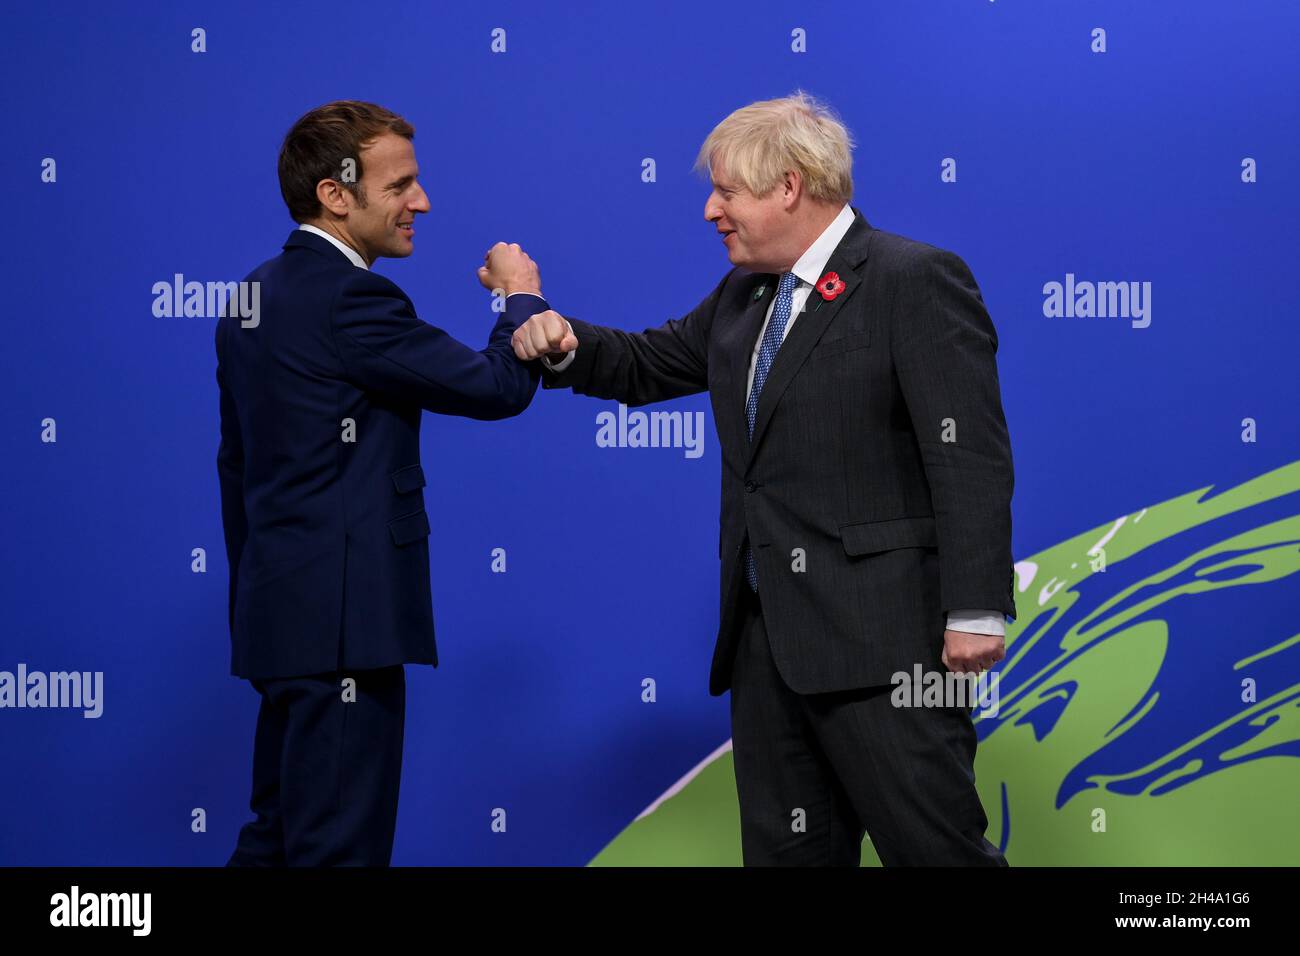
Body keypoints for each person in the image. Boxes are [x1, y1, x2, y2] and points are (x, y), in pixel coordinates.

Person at [515, 92, 1016, 865]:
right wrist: (556, 336)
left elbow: (969, 454)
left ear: (788, 186)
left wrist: (977, 607)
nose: (712, 211)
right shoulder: (746, 294)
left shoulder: (912, 278)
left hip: (886, 648)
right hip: (766, 647)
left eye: (726, 191)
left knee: (936, 853)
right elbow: (648, 363)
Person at [217, 100, 543, 865]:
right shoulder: (352, 299)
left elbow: (236, 472)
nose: (421, 202)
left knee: (276, 839)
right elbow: (496, 387)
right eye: (401, 186)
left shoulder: (248, 302)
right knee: (338, 852)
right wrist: (519, 296)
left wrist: (262, 601)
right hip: (345, 637)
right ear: (336, 195)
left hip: (281, 626)